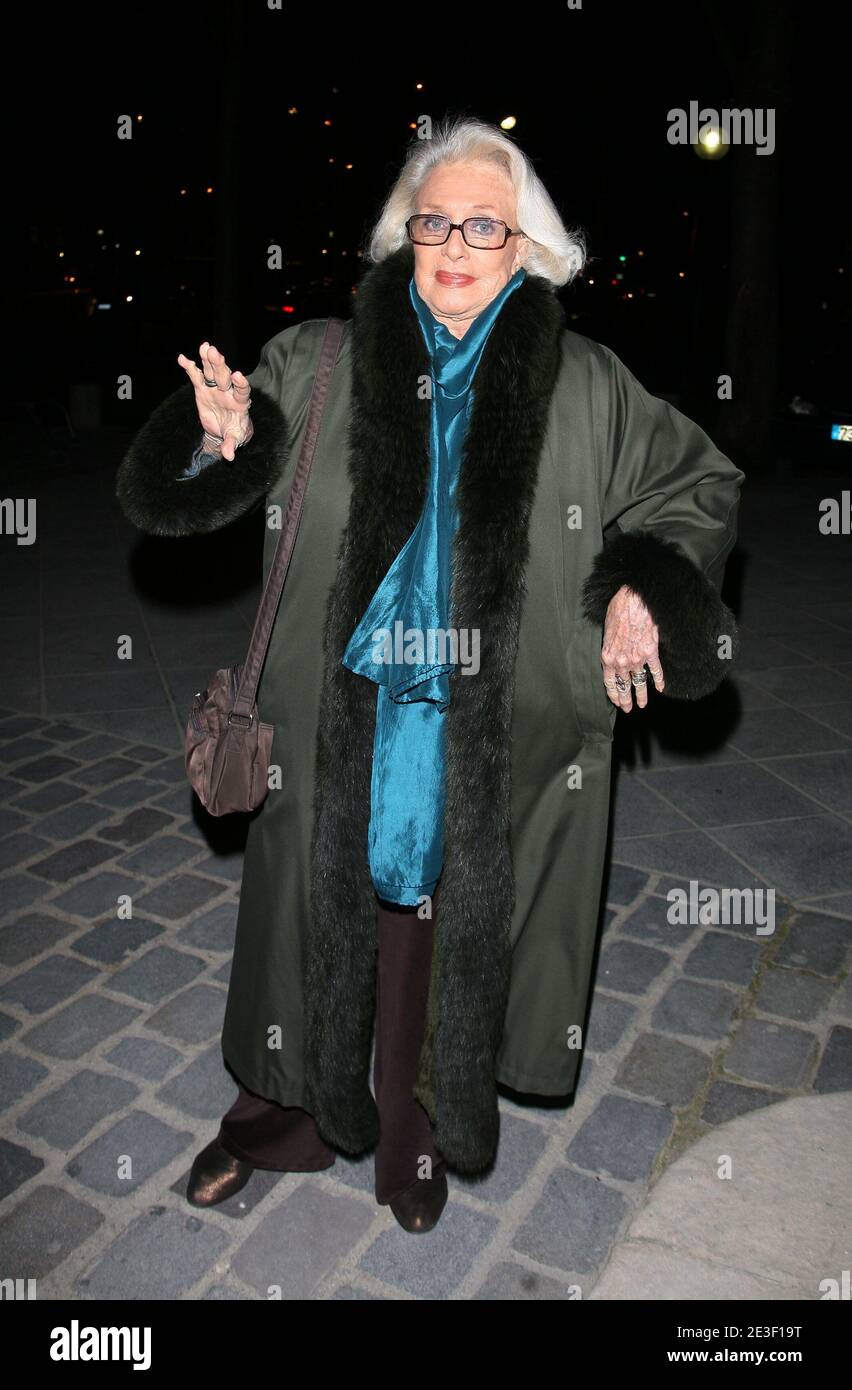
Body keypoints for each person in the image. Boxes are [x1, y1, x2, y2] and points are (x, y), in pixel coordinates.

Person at [115, 114, 745, 1235]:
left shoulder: (586, 384)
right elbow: (200, 488)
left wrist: (645, 584)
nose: (455, 243)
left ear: (529, 251)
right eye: (434, 220)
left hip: (486, 718)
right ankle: (283, 1117)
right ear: (404, 235)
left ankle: (409, 1138)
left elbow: (698, 485)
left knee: (436, 935)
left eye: (485, 226)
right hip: (331, 712)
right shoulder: (318, 361)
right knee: (311, 915)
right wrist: (214, 439)